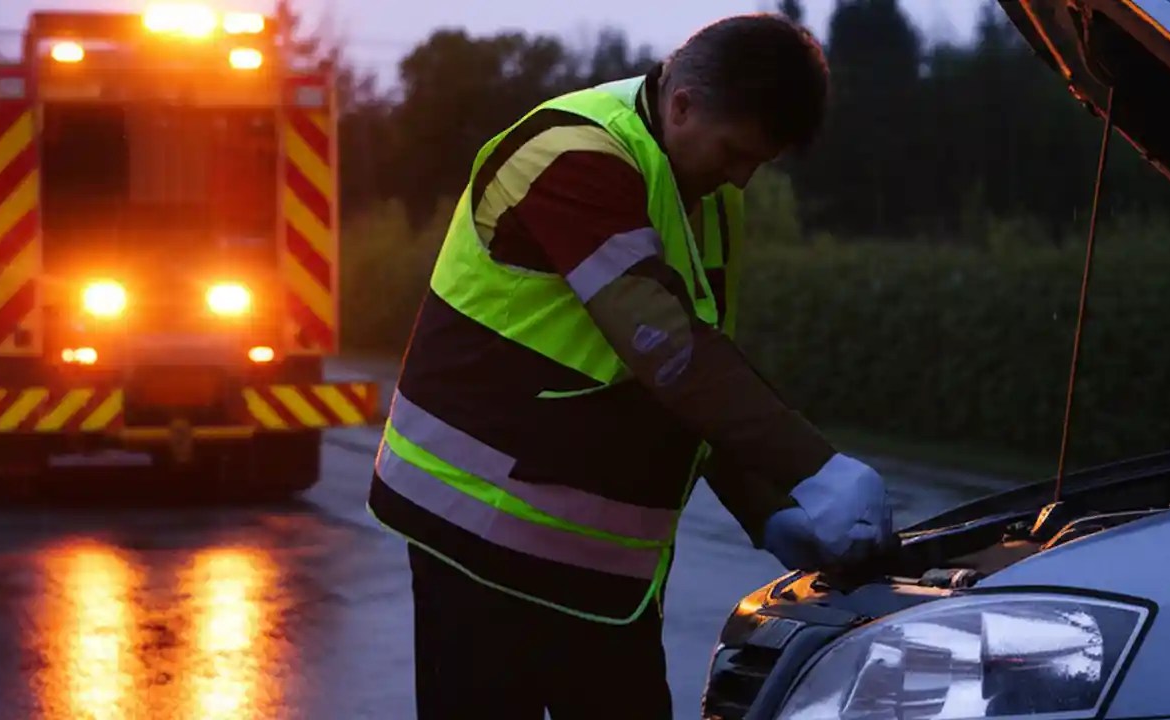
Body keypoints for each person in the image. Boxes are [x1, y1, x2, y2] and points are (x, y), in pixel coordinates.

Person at [366, 13, 894, 719]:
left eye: (757, 163)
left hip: (597, 572)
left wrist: (766, 512)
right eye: (735, 152)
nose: (740, 179)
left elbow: (700, 377)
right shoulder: (572, 154)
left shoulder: (702, 197)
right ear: (683, 105)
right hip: (477, 537)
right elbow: (666, 347)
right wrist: (815, 469)